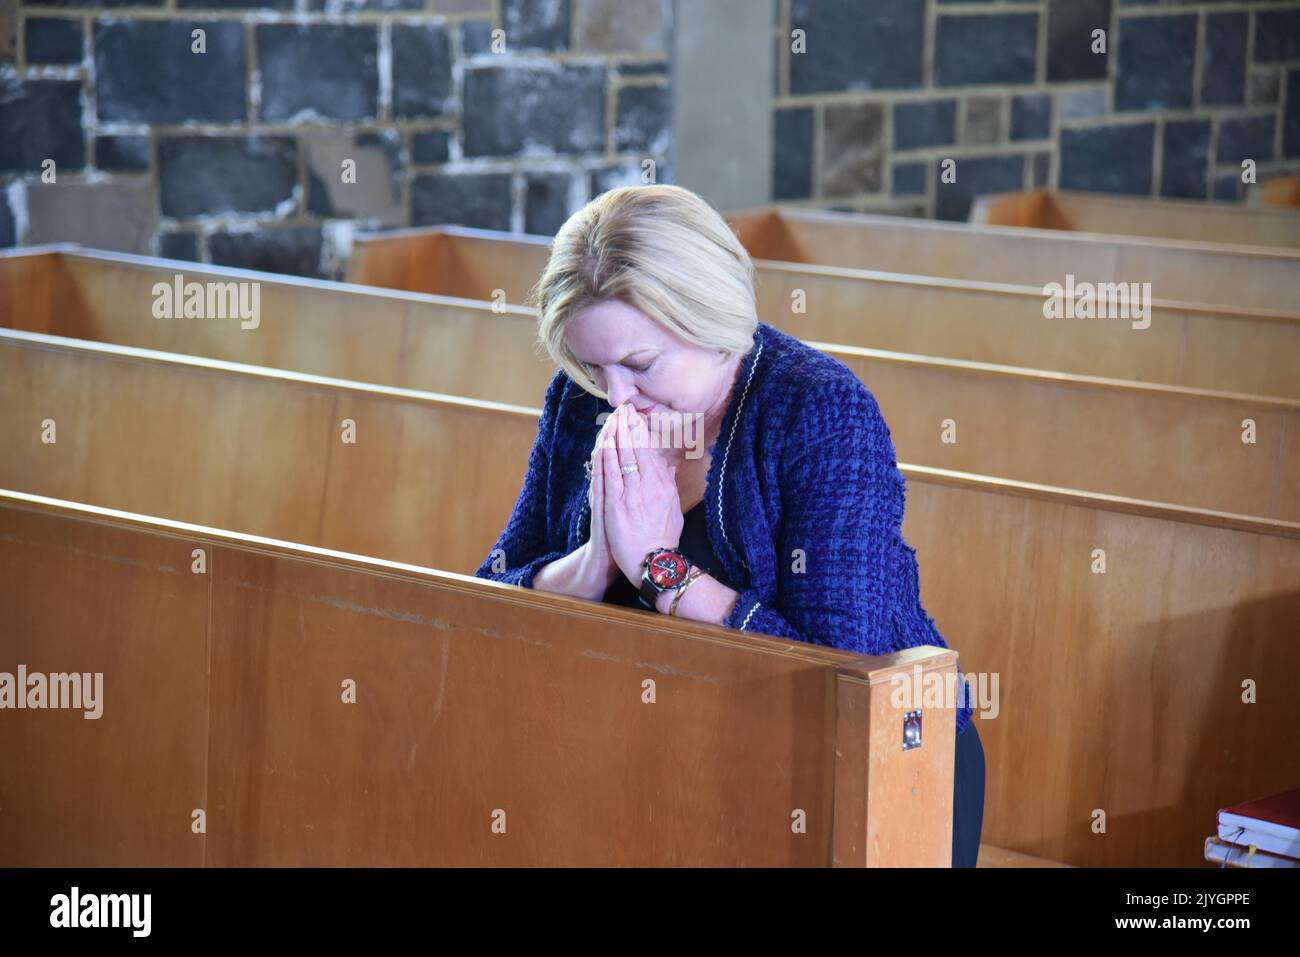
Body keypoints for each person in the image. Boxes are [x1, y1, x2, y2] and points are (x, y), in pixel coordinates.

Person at [475, 184, 983, 867]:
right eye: (594, 365)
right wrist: (595, 563)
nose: (615, 396)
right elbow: (486, 596)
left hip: (878, 773)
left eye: (639, 364)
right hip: (669, 756)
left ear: (711, 321)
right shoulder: (581, 398)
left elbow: (844, 671)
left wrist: (661, 569)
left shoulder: (820, 411)